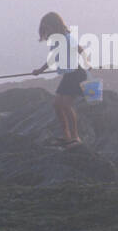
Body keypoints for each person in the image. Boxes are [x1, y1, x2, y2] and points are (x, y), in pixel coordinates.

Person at [31, 11, 88, 146]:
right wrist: (40, 70)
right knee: (57, 105)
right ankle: (66, 136)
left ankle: (75, 138)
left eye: (48, 27)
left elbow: (81, 50)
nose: (47, 31)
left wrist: (87, 63)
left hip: (76, 73)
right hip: (69, 75)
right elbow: (52, 59)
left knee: (66, 105)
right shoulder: (56, 40)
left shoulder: (67, 37)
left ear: (55, 25)